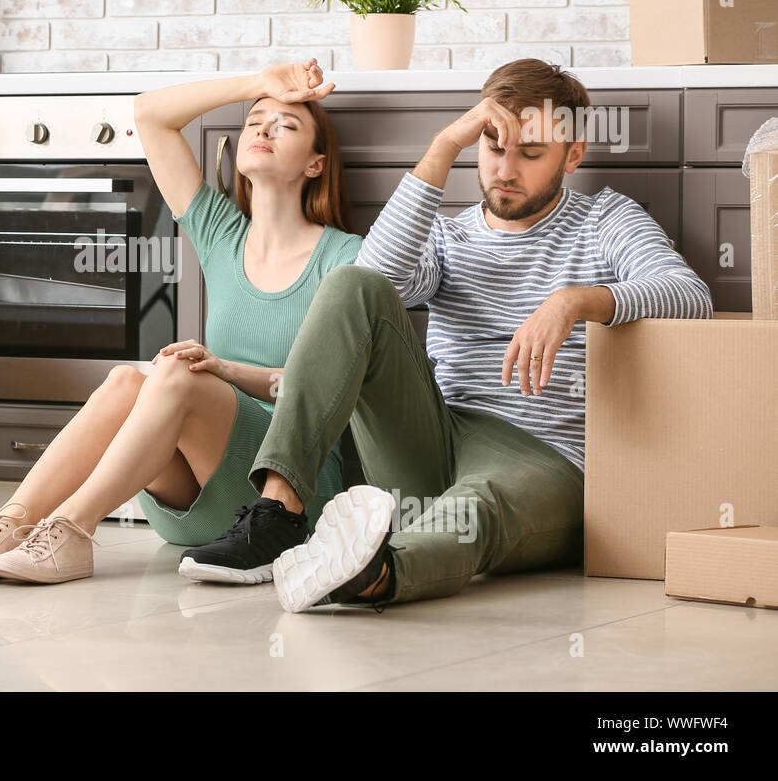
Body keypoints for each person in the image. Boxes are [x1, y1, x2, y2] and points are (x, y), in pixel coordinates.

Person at [177, 58, 714, 612]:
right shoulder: (447, 236)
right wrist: (442, 148)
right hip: (435, 440)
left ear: (572, 156)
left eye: (530, 154)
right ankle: (279, 516)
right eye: (491, 145)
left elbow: (689, 297)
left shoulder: (605, 220)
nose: (505, 169)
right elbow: (376, 281)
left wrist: (576, 300)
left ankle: (374, 572)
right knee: (350, 283)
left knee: (477, 504)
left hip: (544, 457)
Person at [0, 59, 363, 584]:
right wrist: (258, 83)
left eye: (286, 124)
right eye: (254, 120)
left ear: (316, 164)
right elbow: (149, 115)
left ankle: (72, 527)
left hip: (288, 492)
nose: (263, 128)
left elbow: (330, 391)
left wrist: (226, 371)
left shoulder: (344, 258)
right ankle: (11, 523)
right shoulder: (221, 234)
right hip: (197, 502)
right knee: (124, 381)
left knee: (179, 376)